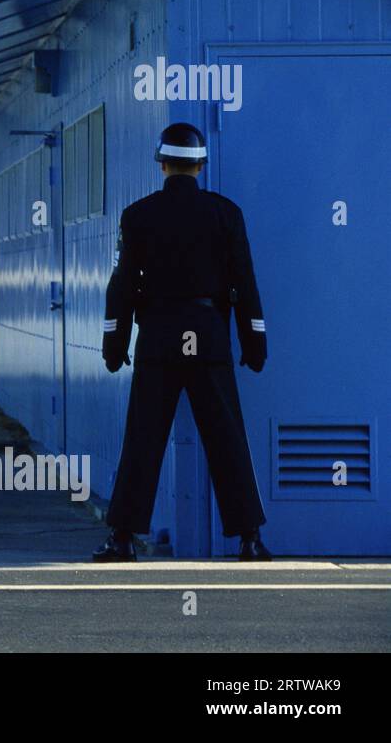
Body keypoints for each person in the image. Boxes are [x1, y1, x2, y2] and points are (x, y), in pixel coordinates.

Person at [94, 122, 271, 562]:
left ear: (162, 164)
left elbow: (121, 287)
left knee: (143, 440)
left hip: (159, 337)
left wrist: (114, 345)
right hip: (208, 337)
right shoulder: (226, 213)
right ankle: (249, 538)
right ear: (200, 164)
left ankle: (122, 539)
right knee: (227, 438)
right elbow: (244, 284)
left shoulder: (138, 216)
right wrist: (254, 343)